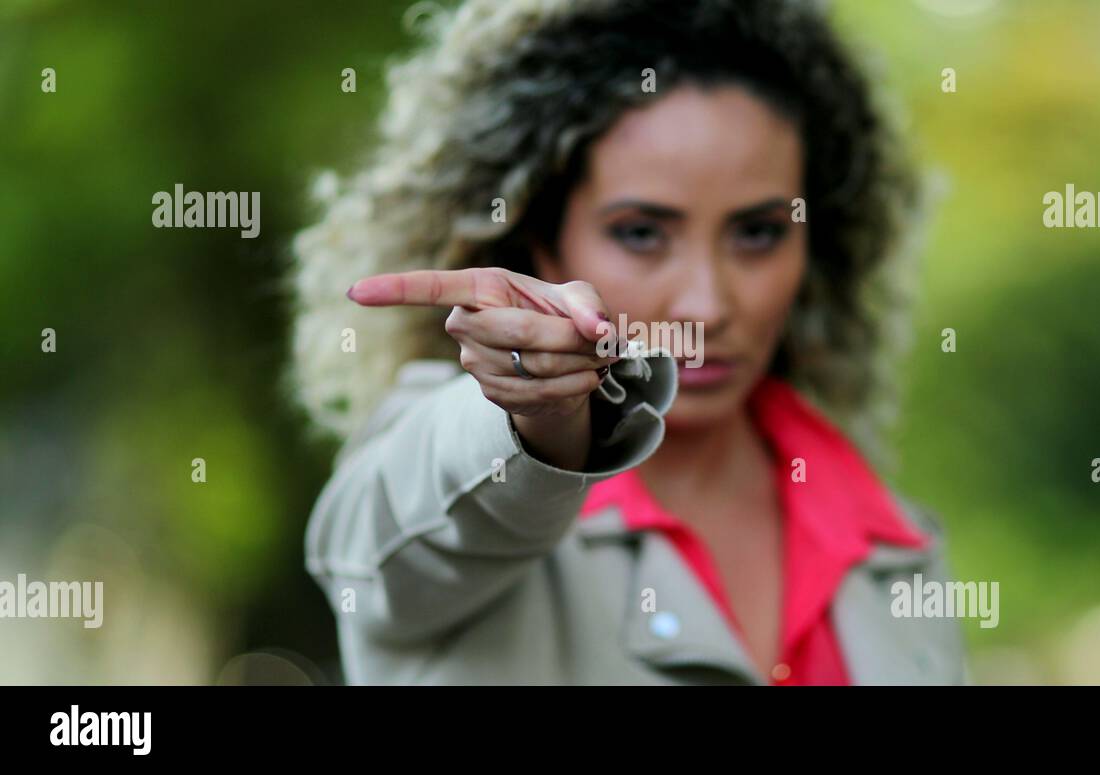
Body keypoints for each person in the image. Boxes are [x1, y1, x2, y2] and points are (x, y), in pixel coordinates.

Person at [292, 0, 965, 685]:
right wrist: (537, 421)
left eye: (758, 233)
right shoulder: (456, 465)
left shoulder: (893, 544)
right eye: (641, 233)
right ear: (538, 243)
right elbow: (385, 548)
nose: (706, 303)